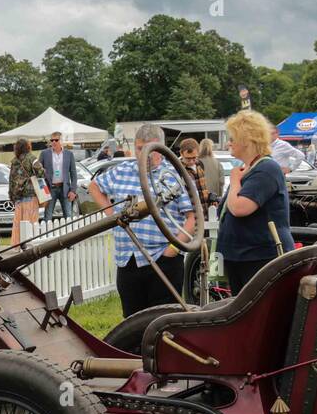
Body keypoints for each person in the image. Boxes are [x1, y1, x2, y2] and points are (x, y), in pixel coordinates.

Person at [89, 123, 196, 317]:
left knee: (163, 321)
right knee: (131, 322)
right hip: (128, 260)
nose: (145, 153)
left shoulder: (175, 175)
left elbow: (192, 217)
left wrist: (172, 249)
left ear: (162, 149)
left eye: (151, 148)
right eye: (140, 148)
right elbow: (94, 186)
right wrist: (111, 213)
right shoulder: (121, 171)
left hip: (163, 260)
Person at [220, 110, 295, 292]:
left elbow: (239, 208)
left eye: (233, 137)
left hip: (259, 258)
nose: (229, 142)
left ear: (246, 140)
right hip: (245, 257)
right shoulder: (250, 168)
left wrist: (235, 181)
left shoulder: (266, 169)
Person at [8, 137, 43, 245]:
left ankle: (17, 245)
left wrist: (11, 195)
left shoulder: (14, 161)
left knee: (18, 222)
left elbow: (11, 179)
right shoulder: (32, 159)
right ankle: (29, 245)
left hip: (18, 195)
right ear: (28, 146)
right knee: (31, 222)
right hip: (30, 194)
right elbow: (41, 173)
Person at [39, 131, 78, 221]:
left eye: (56, 140)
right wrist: (42, 190)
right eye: (52, 140)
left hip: (65, 189)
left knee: (68, 216)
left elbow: (73, 173)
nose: (53, 142)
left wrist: (73, 190)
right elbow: (38, 173)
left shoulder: (69, 154)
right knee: (47, 217)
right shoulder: (44, 153)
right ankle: (46, 235)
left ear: (61, 141)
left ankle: (70, 235)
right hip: (50, 189)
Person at [176, 137, 211, 206]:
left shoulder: (200, 164)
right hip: (191, 210)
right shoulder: (177, 169)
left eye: (194, 158)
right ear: (181, 153)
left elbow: (203, 187)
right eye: (188, 158)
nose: (192, 161)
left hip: (204, 209)